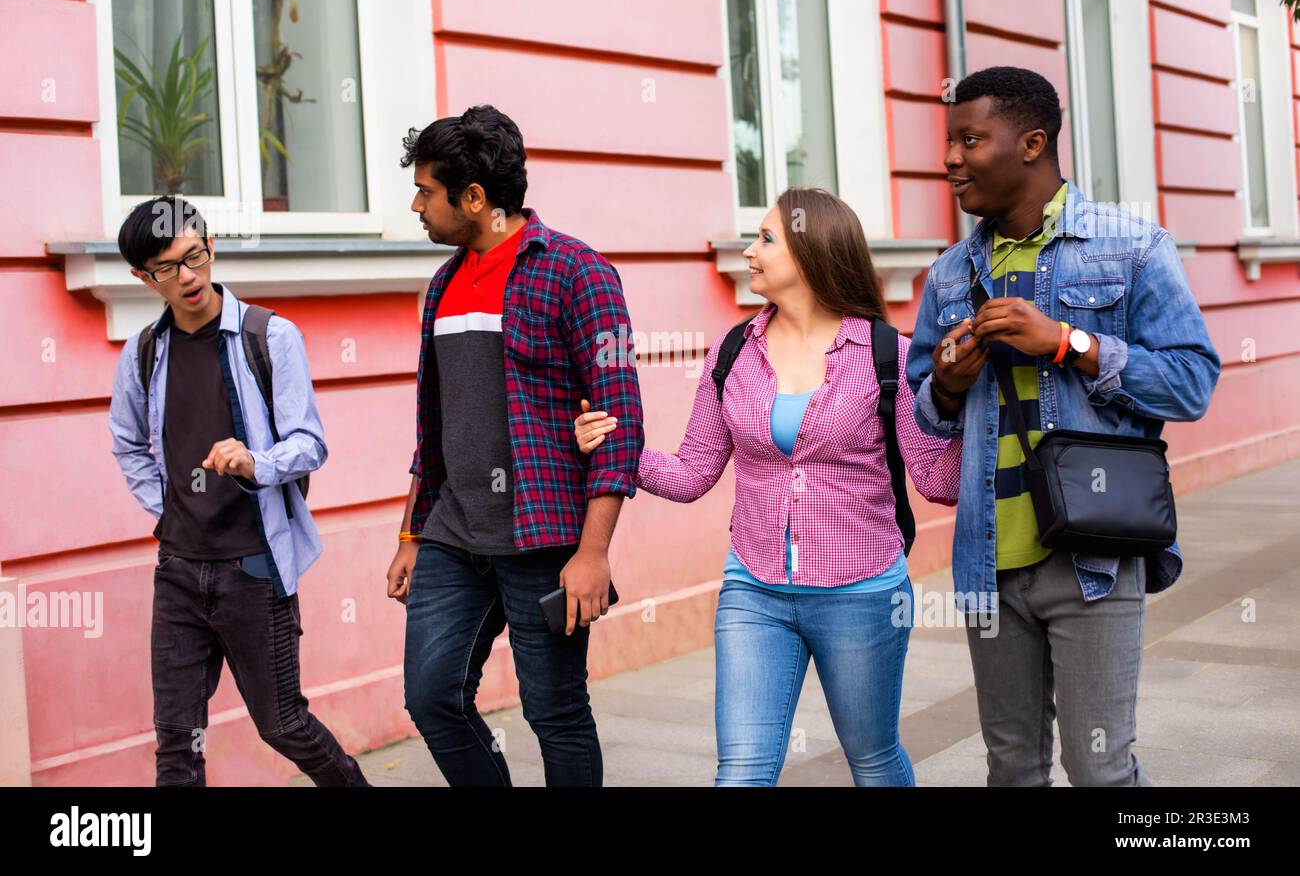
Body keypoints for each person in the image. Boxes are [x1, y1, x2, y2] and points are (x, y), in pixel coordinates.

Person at [575, 187, 961, 786]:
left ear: (811, 252)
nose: (749, 250)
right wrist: (615, 443)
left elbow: (939, 480)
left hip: (860, 593)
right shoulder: (733, 353)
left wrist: (962, 398)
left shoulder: (889, 355)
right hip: (753, 589)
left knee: (873, 757)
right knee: (741, 773)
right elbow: (692, 474)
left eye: (765, 239)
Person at [905, 66, 1221, 786]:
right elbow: (925, 413)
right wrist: (948, 387)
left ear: (1032, 143)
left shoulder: (1130, 247)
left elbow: (1191, 381)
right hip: (989, 560)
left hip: (1093, 559)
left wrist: (1067, 343)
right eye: (950, 141)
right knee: (1012, 769)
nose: (951, 159)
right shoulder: (950, 275)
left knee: (1098, 767)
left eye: (971, 139)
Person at [386, 105, 644, 787]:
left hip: (545, 537)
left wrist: (594, 552)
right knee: (431, 696)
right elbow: (432, 427)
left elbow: (620, 422)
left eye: (426, 192)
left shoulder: (578, 273)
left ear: (474, 198)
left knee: (555, 710)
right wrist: (412, 533)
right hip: (452, 534)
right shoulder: (442, 285)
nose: (417, 206)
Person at [108, 196, 368, 787]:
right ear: (143, 278)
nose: (189, 277)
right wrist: (167, 506)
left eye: (194, 256)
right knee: (176, 742)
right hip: (177, 569)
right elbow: (128, 445)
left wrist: (255, 462)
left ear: (211, 246)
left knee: (283, 725)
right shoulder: (144, 353)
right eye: (168, 269)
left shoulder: (269, 337)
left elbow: (310, 443)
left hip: (254, 568)